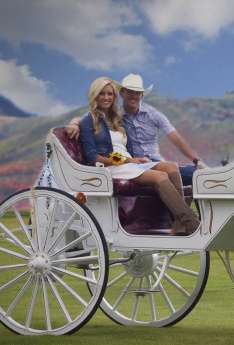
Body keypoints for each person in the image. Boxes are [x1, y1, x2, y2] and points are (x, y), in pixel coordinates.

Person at [78, 76, 200, 236]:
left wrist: (134, 160)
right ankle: (191, 223)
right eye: (102, 93)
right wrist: (126, 160)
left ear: (115, 96)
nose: (106, 97)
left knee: (170, 166)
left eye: (109, 94)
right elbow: (93, 157)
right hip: (110, 167)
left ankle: (179, 222)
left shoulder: (117, 120)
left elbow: (128, 148)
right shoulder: (88, 121)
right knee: (160, 176)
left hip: (128, 163)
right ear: (94, 95)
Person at [67, 73, 207, 185]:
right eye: (130, 92)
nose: (134, 96)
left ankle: (194, 212)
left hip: (155, 162)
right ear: (122, 93)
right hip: (134, 164)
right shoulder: (117, 118)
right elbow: (92, 119)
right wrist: (75, 122)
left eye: (137, 93)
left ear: (142, 95)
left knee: (200, 175)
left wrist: (196, 160)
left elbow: (175, 139)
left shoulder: (153, 115)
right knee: (189, 176)